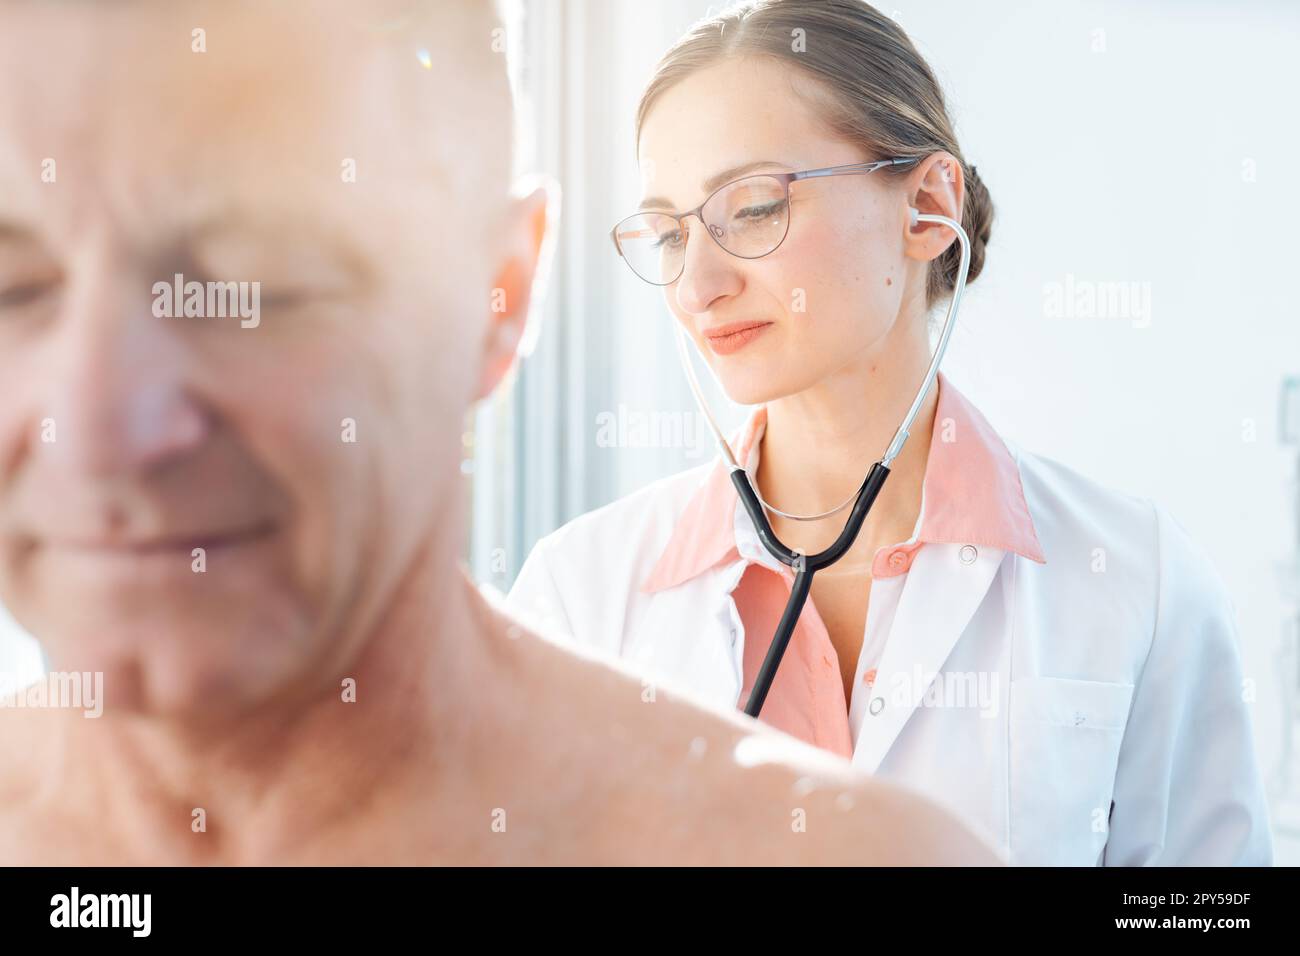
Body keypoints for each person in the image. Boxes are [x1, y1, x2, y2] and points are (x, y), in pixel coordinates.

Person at [0, 0, 998, 866]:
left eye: (255, 283)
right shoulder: (593, 574)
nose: (91, 429)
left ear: (498, 295)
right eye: (11, 289)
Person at [507, 0, 1272, 865]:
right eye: (669, 233)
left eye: (752, 209)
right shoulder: (575, 597)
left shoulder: (1138, 582)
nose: (697, 284)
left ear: (926, 206)